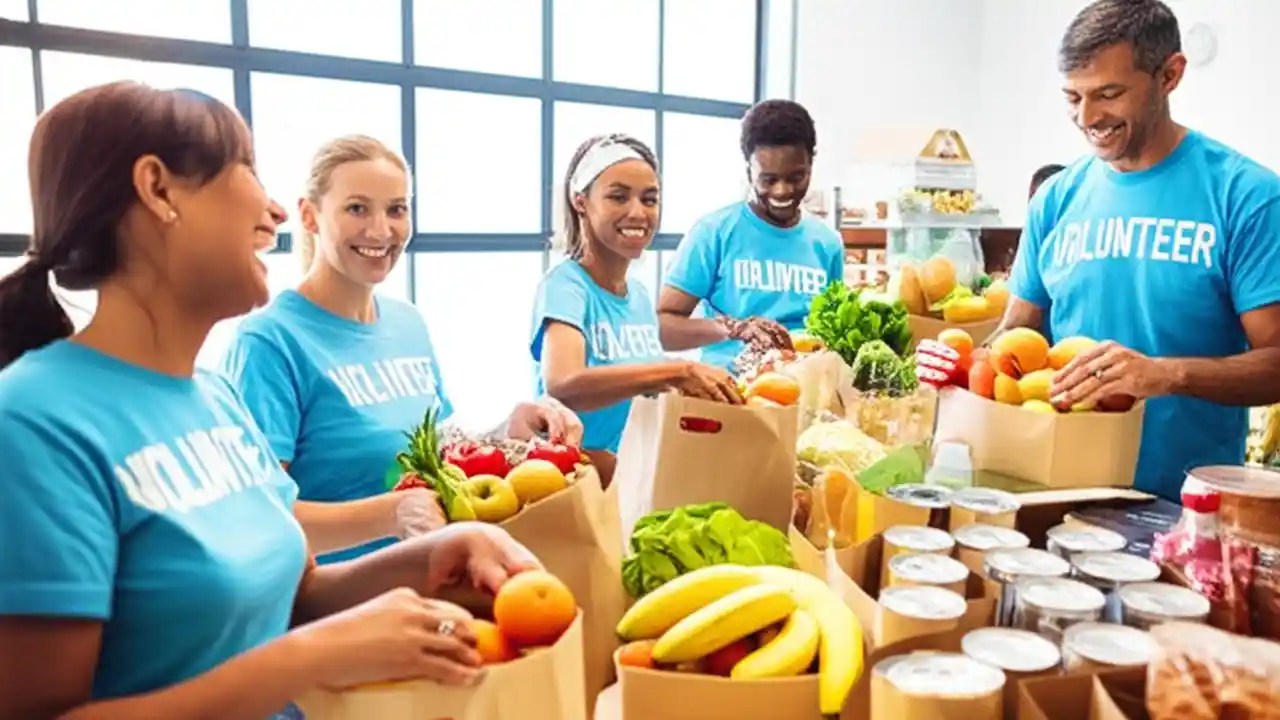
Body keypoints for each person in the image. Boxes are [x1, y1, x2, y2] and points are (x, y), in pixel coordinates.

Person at [0, 81, 542, 720]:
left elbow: (300, 591)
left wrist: (434, 553)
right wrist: (312, 656)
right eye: (246, 170)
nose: (277, 212)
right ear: (158, 189)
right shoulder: (33, 424)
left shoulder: (216, 398)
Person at [221, 134, 582, 565]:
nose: (381, 230)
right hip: (335, 613)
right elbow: (255, 521)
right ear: (309, 216)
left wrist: (505, 431)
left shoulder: (407, 323)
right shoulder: (270, 343)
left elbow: (437, 445)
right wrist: (388, 516)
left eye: (396, 209)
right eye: (357, 208)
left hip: (430, 590)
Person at [1000, 0, 1280, 501]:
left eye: (1109, 94)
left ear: (1170, 75)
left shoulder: (1247, 196)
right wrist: (957, 361)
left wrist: (1164, 373)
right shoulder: (1056, 199)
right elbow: (1014, 337)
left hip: (1182, 512)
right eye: (1073, 97)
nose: (1087, 118)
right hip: (1056, 496)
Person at [530, 134, 742, 457]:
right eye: (618, 197)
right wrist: (677, 371)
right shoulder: (565, 287)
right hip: (582, 484)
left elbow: (642, 392)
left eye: (649, 199)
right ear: (581, 202)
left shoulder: (640, 296)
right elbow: (564, 384)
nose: (637, 213)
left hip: (636, 478)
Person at [656, 99, 846, 371]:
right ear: (749, 171)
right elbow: (662, 328)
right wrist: (734, 329)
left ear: (810, 166)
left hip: (806, 398)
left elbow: (833, 334)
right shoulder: (714, 234)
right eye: (768, 179)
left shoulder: (827, 244)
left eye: (796, 177)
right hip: (730, 397)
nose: (782, 191)